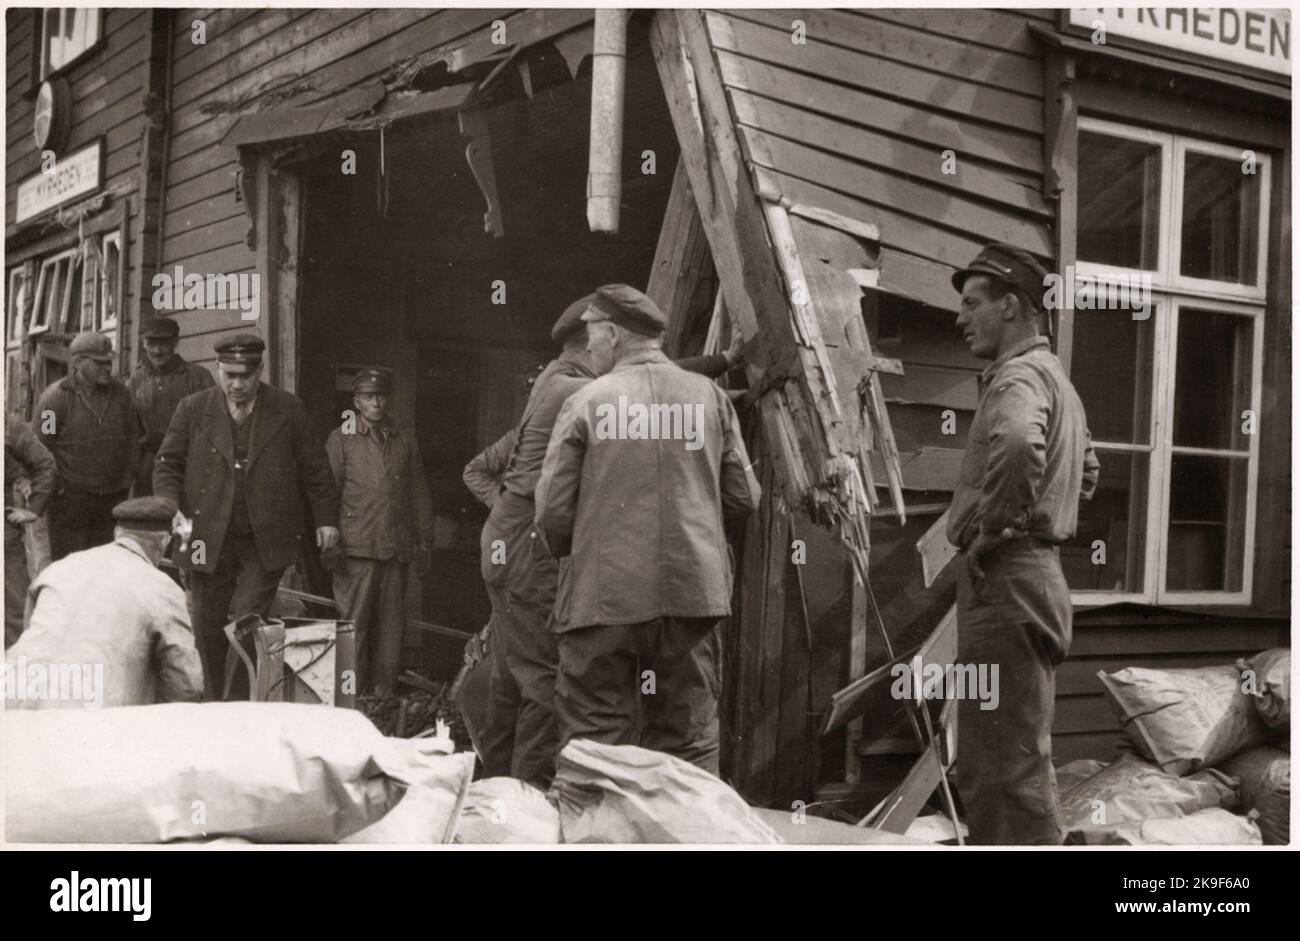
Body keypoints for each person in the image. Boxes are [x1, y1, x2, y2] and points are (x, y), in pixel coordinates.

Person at [468, 291, 747, 787]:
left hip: (603, 599)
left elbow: (552, 513)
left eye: (594, 334)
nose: (591, 347)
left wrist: (589, 557)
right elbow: (744, 497)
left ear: (612, 334)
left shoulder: (584, 400)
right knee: (689, 740)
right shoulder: (709, 397)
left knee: (594, 739)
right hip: (692, 598)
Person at [947, 242, 1100, 845]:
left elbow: (1015, 444)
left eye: (972, 303)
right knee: (1015, 752)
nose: (961, 318)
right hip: (1034, 575)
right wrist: (1044, 513)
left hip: (1008, 578)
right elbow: (1087, 470)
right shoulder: (1057, 379)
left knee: (996, 763)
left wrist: (998, 527)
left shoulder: (1017, 377)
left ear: (1011, 307)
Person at [154, 333, 339, 700]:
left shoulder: (287, 409)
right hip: (204, 535)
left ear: (259, 372)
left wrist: (326, 520)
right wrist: (169, 506)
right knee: (206, 625)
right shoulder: (192, 408)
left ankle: (235, 704)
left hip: (264, 537)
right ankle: (211, 701)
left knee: (246, 621)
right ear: (218, 370)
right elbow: (167, 465)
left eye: (245, 376)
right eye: (229, 375)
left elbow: (316, 471)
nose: (237, 384)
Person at [5, 496, 204, 708]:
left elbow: (31, 628)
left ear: (117, 533)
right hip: (87, 712)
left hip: (12, 697)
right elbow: (185, 686)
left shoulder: (61, 567)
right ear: (163, 543)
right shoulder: (163, 588)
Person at [324, 367, 435, 695]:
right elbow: (326, 492)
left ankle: (383, 699)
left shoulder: (403, 436)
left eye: (381, 396)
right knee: (353, 628)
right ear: (356, 401)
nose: (376, 403)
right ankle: (349, 700)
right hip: (355, 549)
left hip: (395, 549)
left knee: (391, 630)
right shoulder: (341, 437)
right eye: (369, 397)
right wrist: (329, 544)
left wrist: (424, 541)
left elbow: (418, 491)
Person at [33, 331, 140, 560]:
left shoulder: (121, 395)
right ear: (78, 362)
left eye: (109, 362)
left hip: (112, 500)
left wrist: (127, 479)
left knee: (105, 567)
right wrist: (57, 487)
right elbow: (42, 448)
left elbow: (133, 439)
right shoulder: (54, 400)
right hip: (71, 503)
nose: (107, 368)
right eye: (100, 362)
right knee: (70, 568)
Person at [127, 316, 214, 496]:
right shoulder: (137, 380)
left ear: (175, 342)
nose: (157, 351)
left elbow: (213, 424)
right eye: (151, 344)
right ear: (143, 344)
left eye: (164, 344)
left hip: (189, 463)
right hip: (149, 466)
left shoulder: (198, 377)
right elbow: (131, 428)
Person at [4, 413, 56, 648]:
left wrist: (34, 507)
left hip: (5, 535)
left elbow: (45, 462)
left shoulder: (8, 424)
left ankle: (18, 672)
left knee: (16, 611)